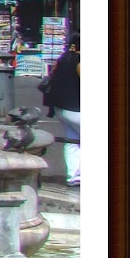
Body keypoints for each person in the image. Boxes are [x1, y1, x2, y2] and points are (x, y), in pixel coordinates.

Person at [40, 37, 80, 187]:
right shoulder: (79, 60)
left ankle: (74, 175)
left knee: (72, 140)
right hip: (77, 109)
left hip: (61, 108)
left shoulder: (63, 58)